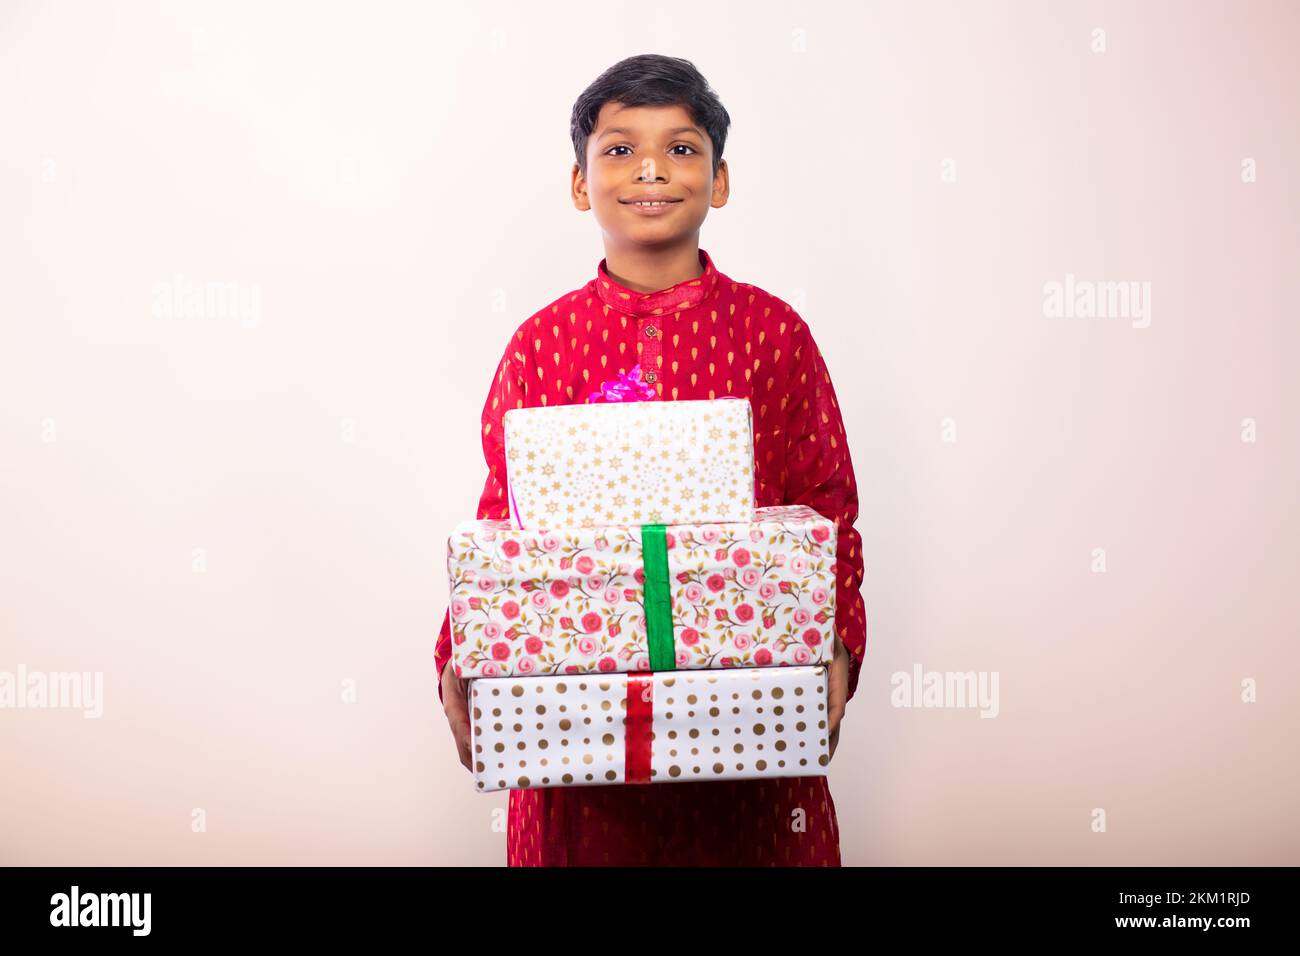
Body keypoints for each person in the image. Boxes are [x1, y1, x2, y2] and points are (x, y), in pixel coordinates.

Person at [436, 54, 867, 866]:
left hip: (751, 712)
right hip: (575, 723)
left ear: (720, 178)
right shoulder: (542, 343)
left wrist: (839, 639)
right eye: (619, 149)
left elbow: (828, 502)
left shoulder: (775, 334)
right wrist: (463, 656)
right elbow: (503, 524)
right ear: (578, 183)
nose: (650, 171)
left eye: (680, 148)